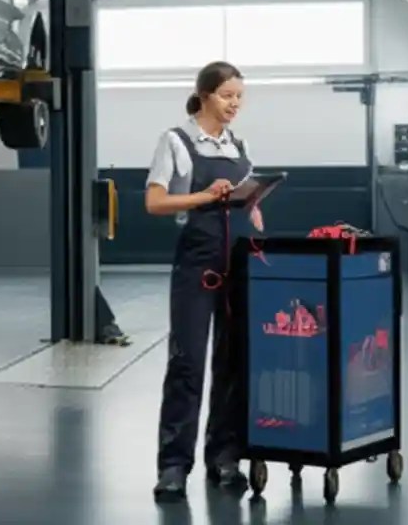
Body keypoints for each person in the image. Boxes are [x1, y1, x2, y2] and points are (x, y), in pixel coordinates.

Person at [145, 61, 263, 502]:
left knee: (232, 363)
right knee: (187, 363)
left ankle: (224, 457)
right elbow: (155, 202)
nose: (235, 104)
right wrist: (205, 196)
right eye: (227, 95)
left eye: (239, 97)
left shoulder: (241, 146)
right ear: (205, 95)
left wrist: (255, 205)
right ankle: (174, 465)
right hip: (196, 265)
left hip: (239, 261)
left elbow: (248, 205)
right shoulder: (175, 141)